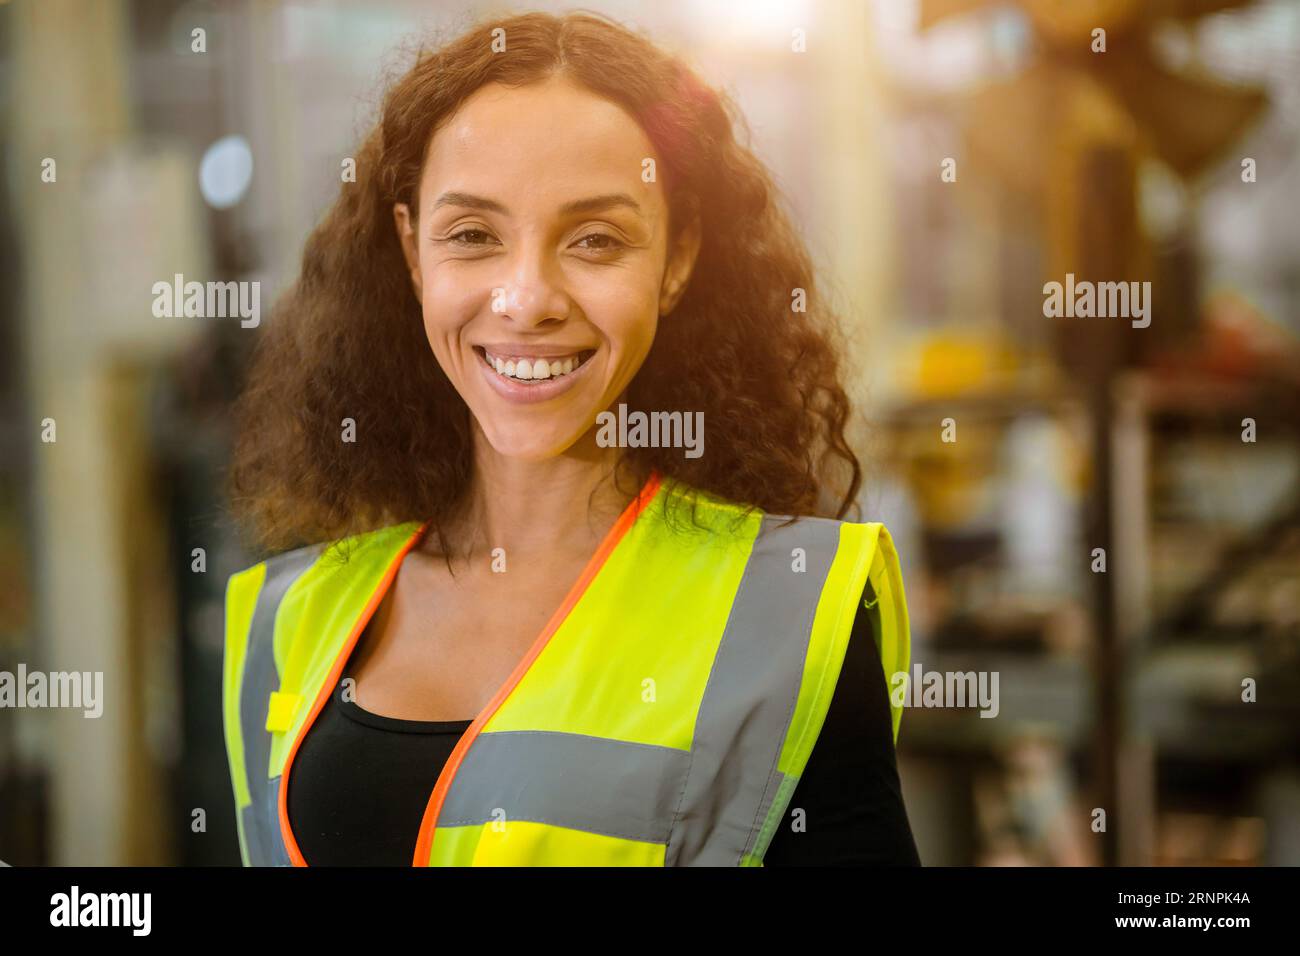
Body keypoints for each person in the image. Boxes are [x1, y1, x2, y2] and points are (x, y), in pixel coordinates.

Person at [222, 10, 920, 867]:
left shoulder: (786, 613)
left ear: (676, 262)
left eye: (595, 239)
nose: (527, 299)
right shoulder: (289, 615)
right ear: (412, 254)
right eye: (473, 235)